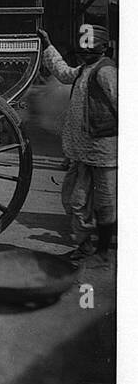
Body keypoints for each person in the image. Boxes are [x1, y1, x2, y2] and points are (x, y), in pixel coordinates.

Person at [38, 23, 117, 264]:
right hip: (82, 150)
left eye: (88, 50)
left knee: (105, 202)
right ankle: (84, 246)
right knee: (75, 200)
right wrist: (48, 45)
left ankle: (102, 251)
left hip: (104, 151)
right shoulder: (85, 69)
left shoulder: (106, 72)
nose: (84, 54)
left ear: (103, 49)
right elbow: (64, 73)